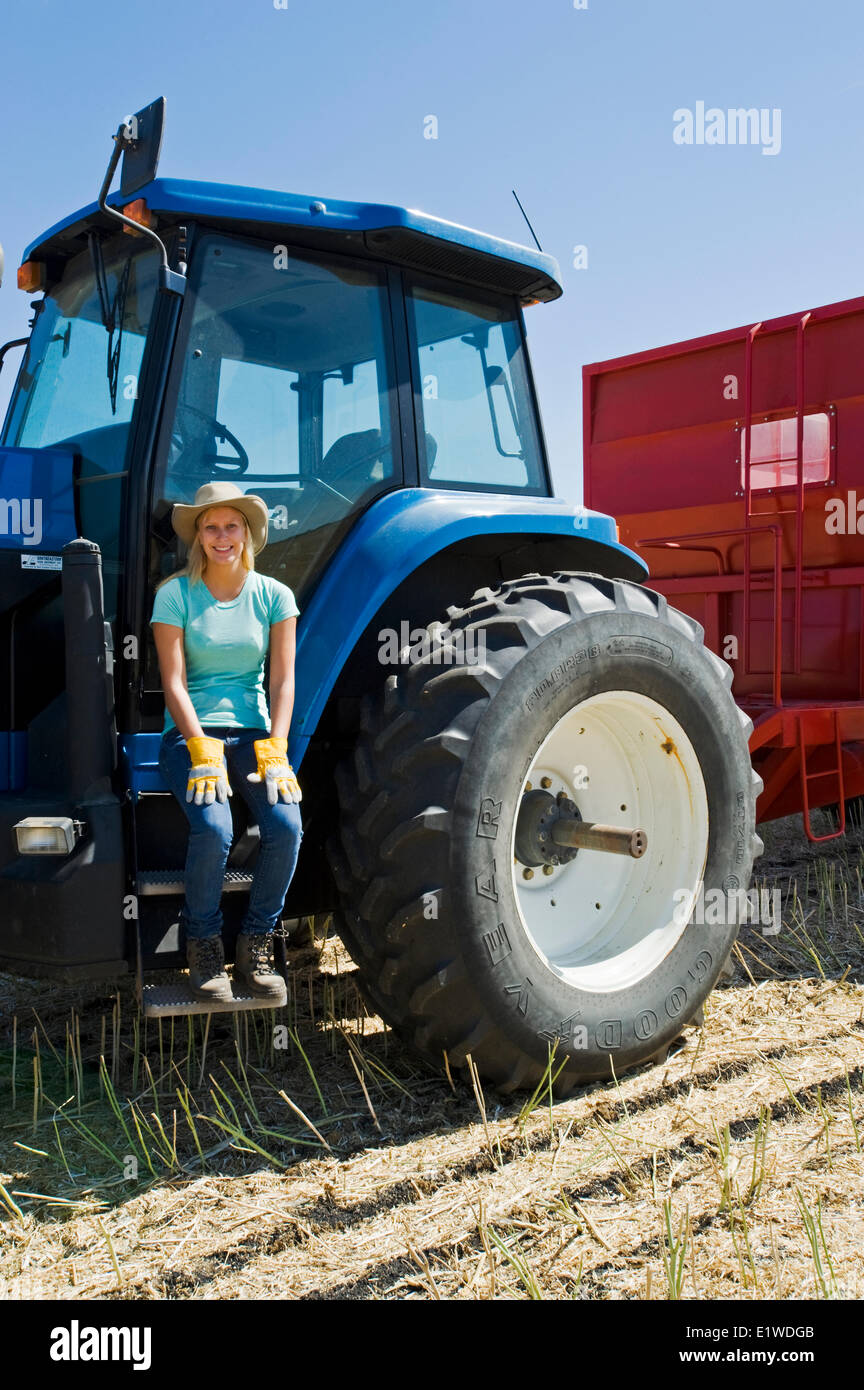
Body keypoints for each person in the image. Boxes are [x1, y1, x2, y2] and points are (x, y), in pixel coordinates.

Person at [150, 481, 303, 1002]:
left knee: (286, 826)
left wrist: (277, 749)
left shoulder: (274, 597)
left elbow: (282, 682)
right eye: (211, 527)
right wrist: (198, 747)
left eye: (230, 526)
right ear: (198, 535)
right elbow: (173, 683)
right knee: (214, 827)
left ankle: (258, 940)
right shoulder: (174, 594)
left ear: (247, 533)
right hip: (191, 734)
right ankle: (204, 944)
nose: (221, 536)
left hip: (255, 736)